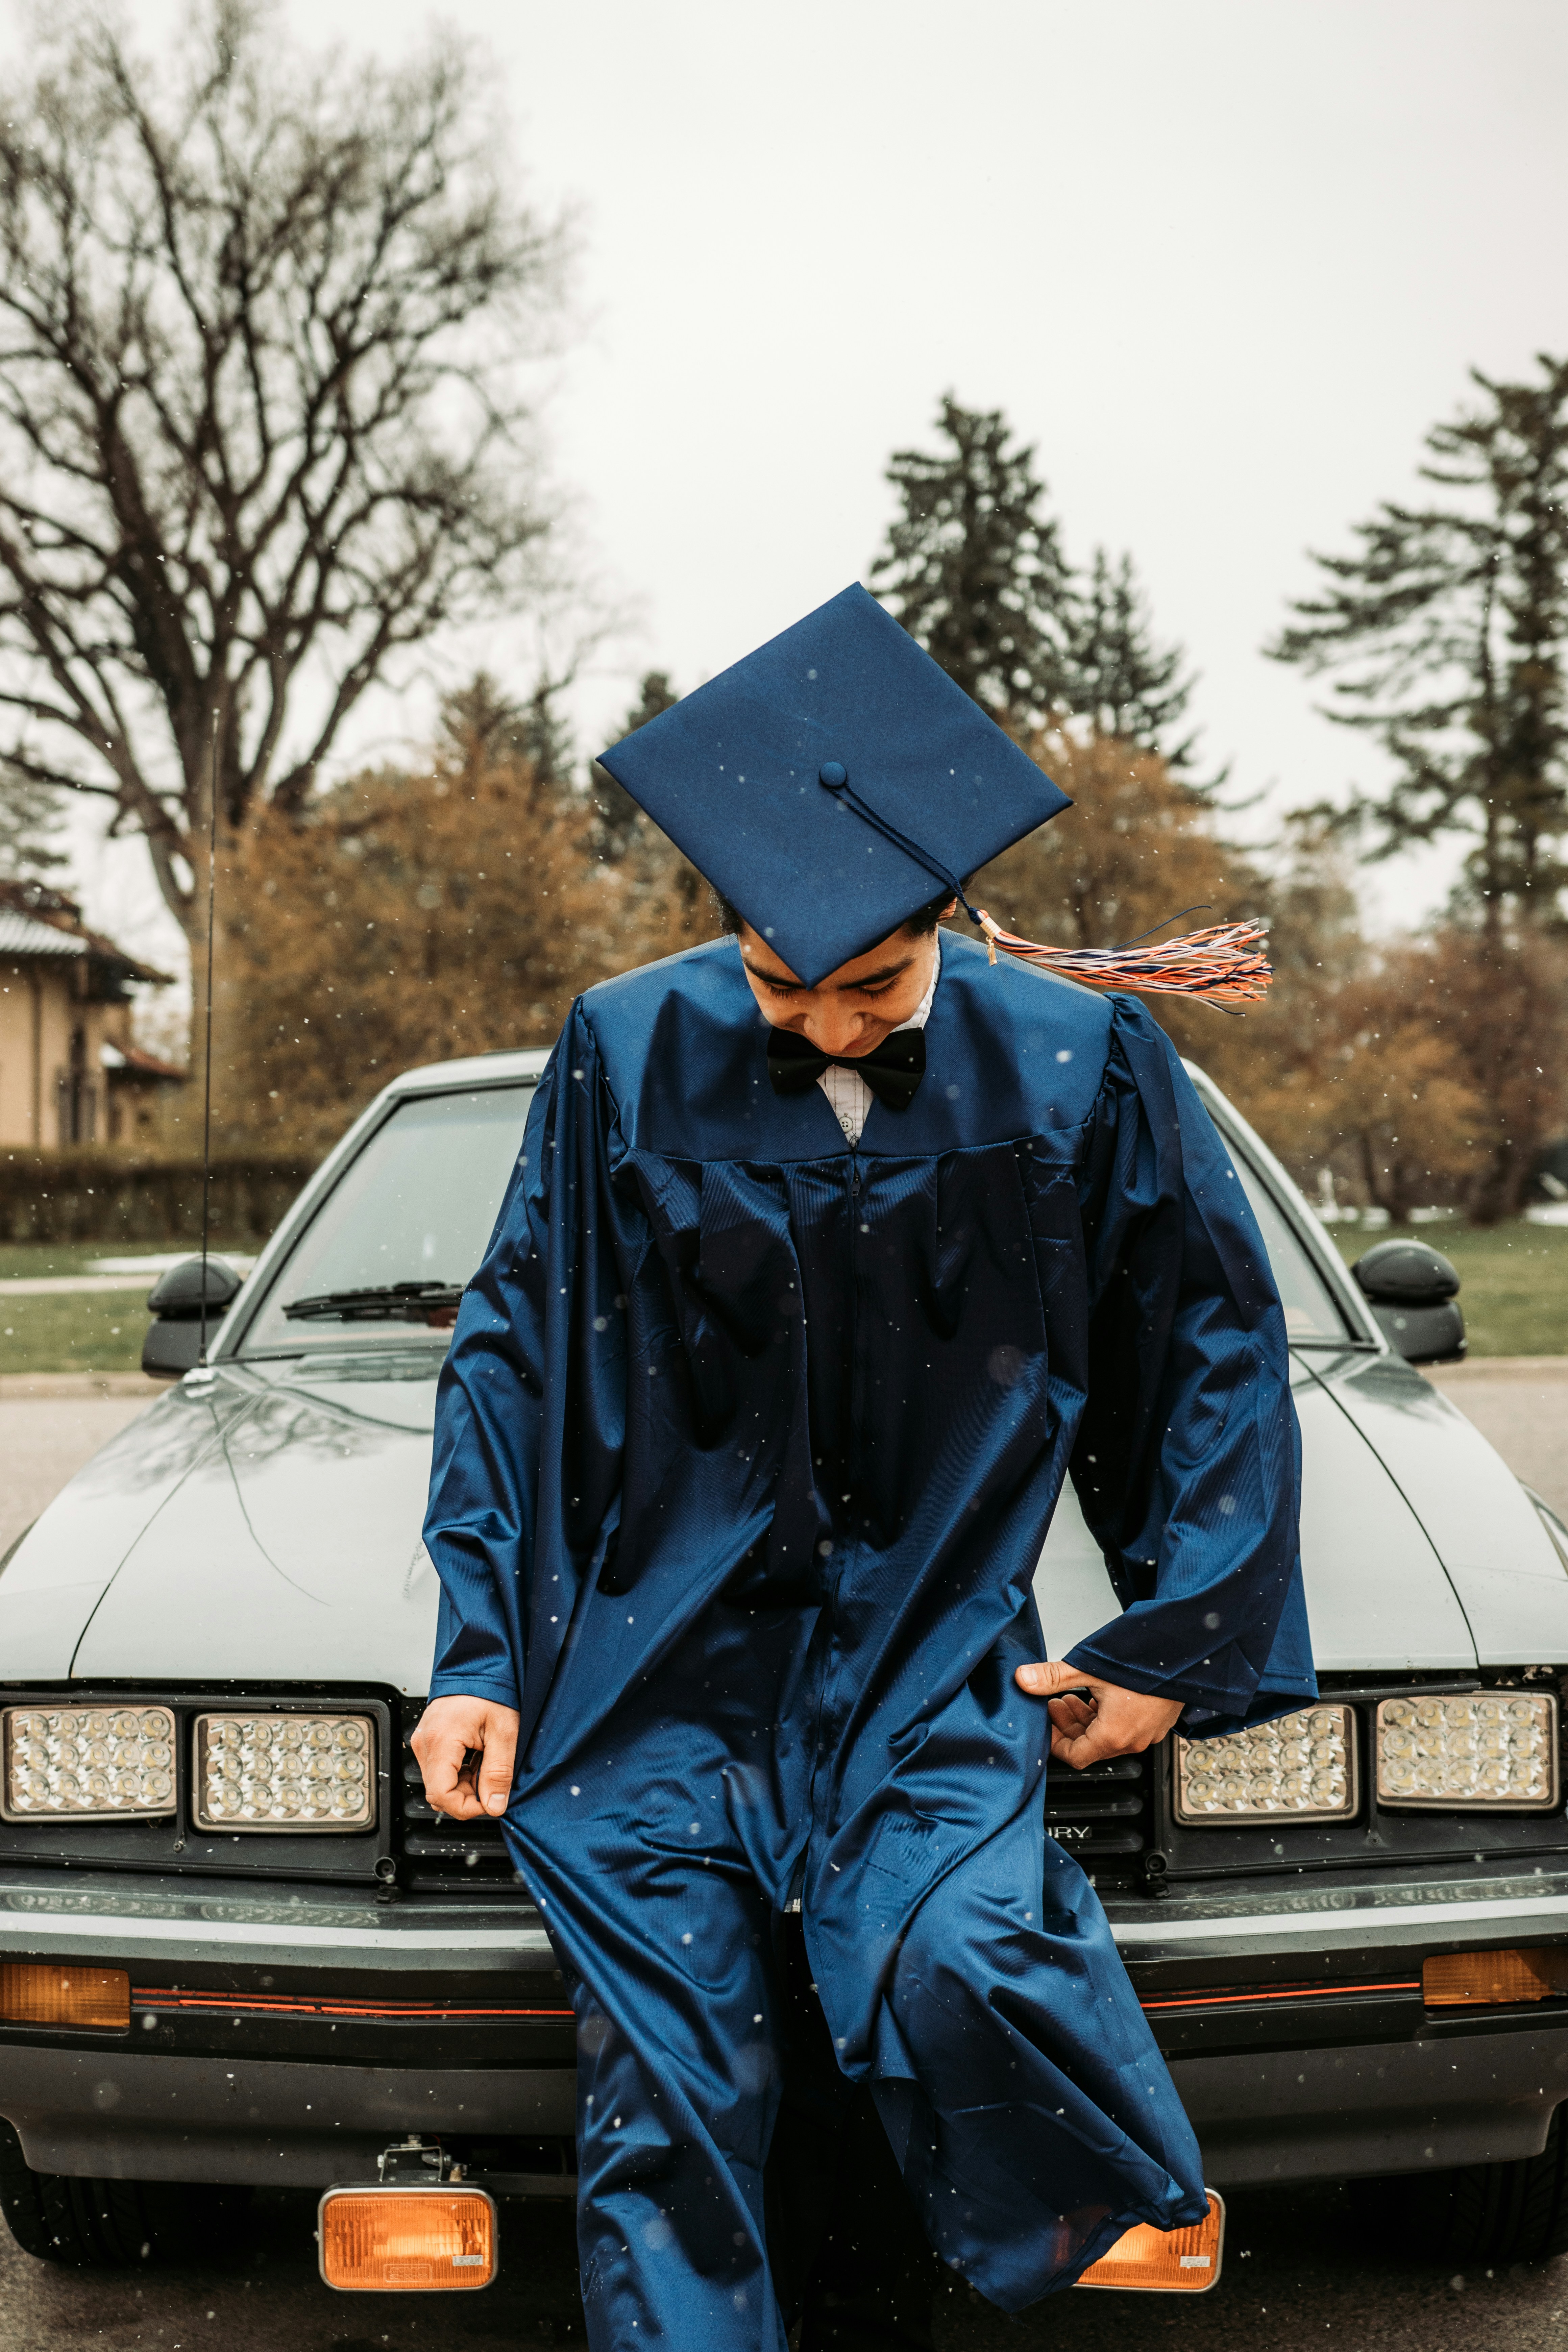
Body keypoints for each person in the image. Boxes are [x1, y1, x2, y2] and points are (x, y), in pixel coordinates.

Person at [413, 584, 1314, 2349]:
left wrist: (1173, 1644)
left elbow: (1203, 1340)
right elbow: (516, 1355)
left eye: (877, 984)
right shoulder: (627, 1050)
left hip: (924, 1663)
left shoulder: (1073, 1060)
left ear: (950, 925)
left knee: (961, 1960)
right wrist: (480, 1654)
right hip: (660, 1662)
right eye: (780, 983)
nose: (828, 1023)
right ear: (725, 931)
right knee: (673, 2084)